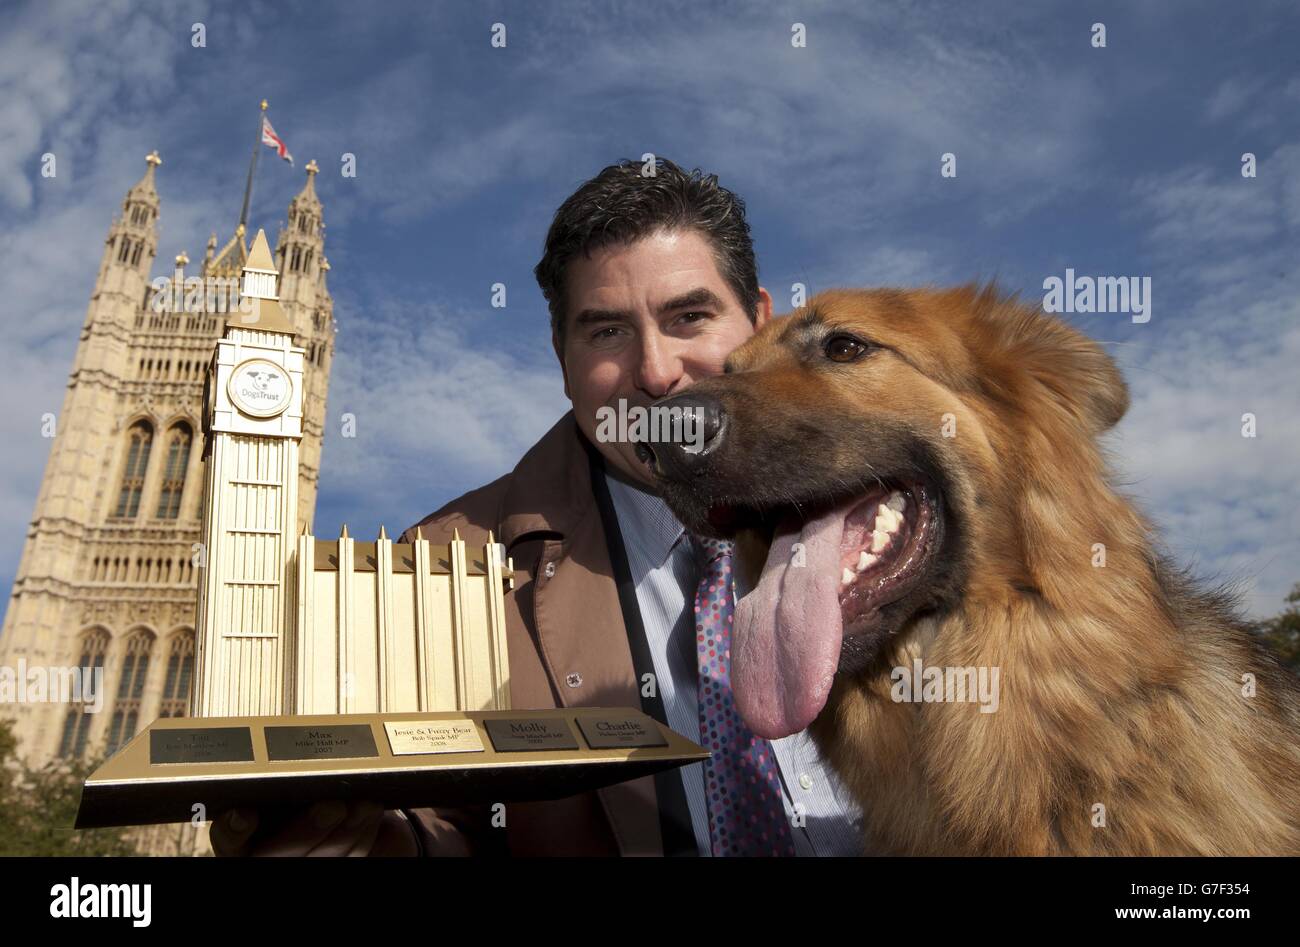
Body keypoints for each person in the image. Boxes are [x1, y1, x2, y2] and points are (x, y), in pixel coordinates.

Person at [212, 157, 864, 856]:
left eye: (689, 316)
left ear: (762, 325)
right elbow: (437, 823)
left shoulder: (889, 508)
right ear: (561, 358)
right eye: (606, 331)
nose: (654, 372)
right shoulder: (439, 566)